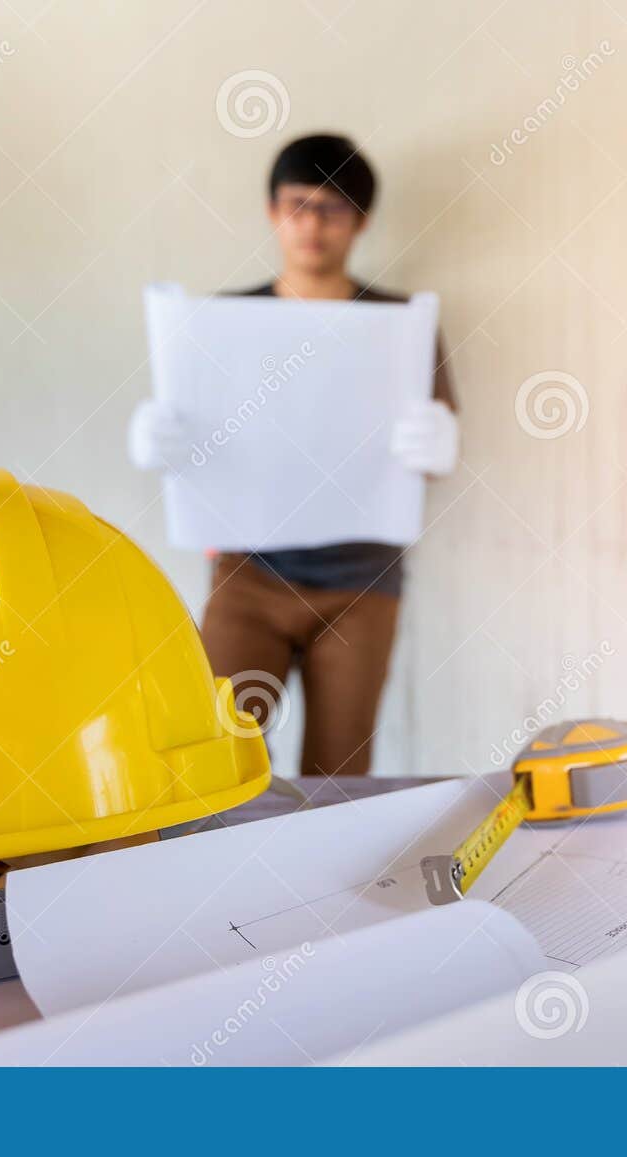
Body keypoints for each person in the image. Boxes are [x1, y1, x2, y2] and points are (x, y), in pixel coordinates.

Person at [128, 133, 459, 776]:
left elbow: (436, 445)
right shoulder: (221, 319)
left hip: (362, 582)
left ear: (359, 222)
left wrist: (440, 445)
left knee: (339, 773)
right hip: (249, 574)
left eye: (332, 209)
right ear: (272, 210)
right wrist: (159, 440)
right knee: (215, 758)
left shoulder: (400, 324)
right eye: (297, 204)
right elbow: (195, 433)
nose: (311, 223)